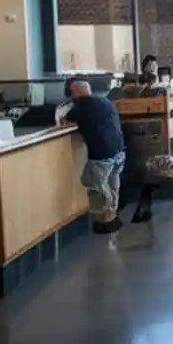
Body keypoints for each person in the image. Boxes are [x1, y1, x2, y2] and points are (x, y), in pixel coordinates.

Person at [58, 80, 126, 234]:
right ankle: (112, 215)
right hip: (119, 149)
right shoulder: (104, 100)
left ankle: (106, 214)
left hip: (102, 153)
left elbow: (66, 118)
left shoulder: (83, 105)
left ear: (75, 94)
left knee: (94, 183)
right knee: (113, 182)